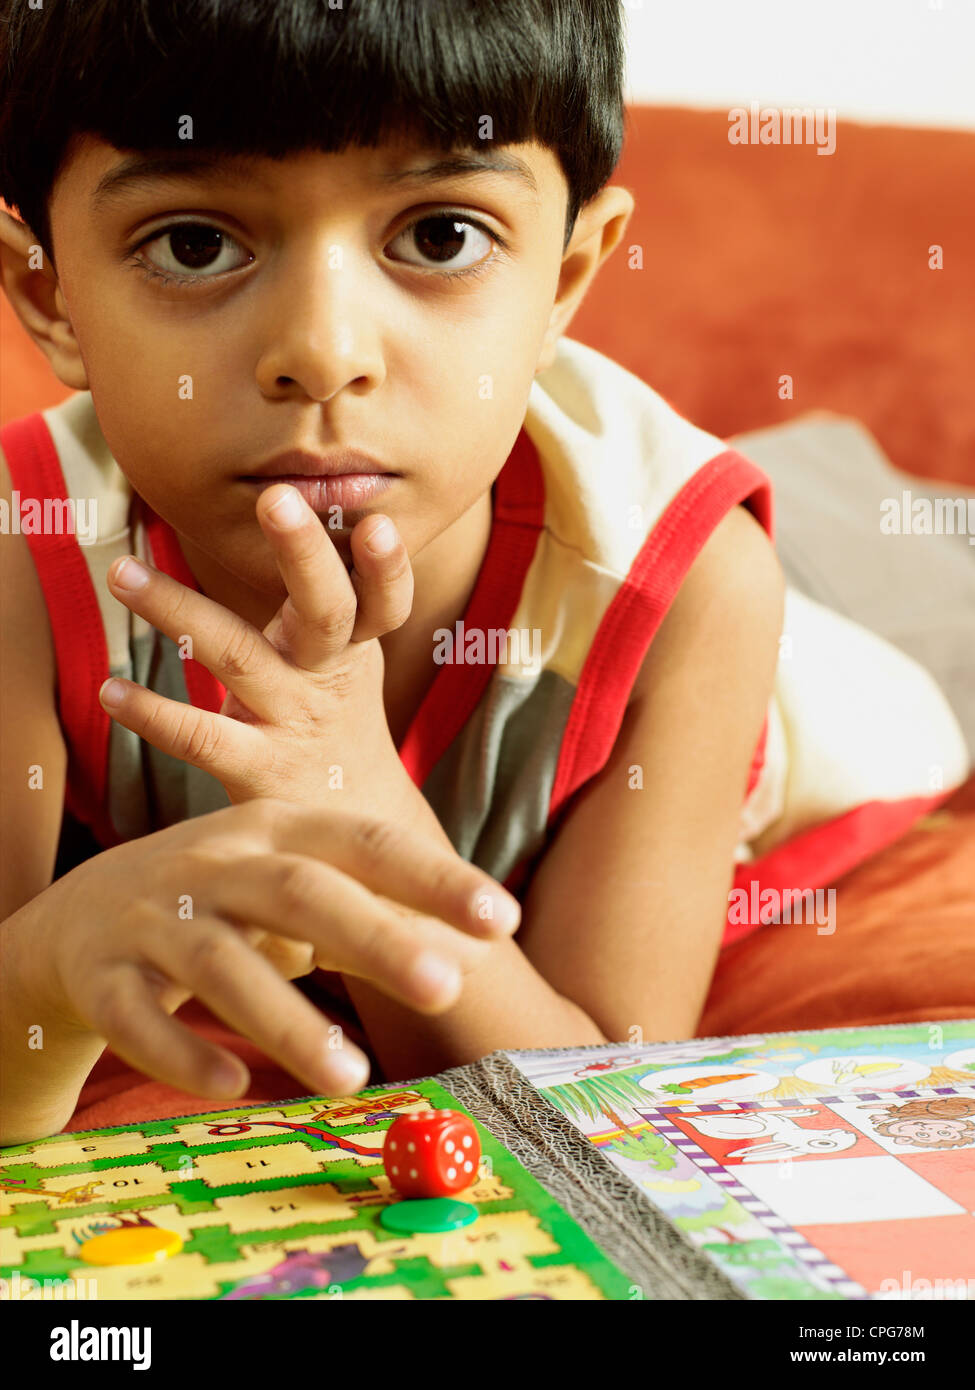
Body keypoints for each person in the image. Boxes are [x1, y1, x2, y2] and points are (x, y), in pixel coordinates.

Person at [0, 0, 967, 1146]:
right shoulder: (27, 545)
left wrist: (356, 797)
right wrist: (38, 985)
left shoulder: (691, 586)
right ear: (49, 295)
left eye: (441, 234)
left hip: (821, 640)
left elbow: (601, 1099)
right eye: (196, 243)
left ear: (565, 279)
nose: (324, 351)